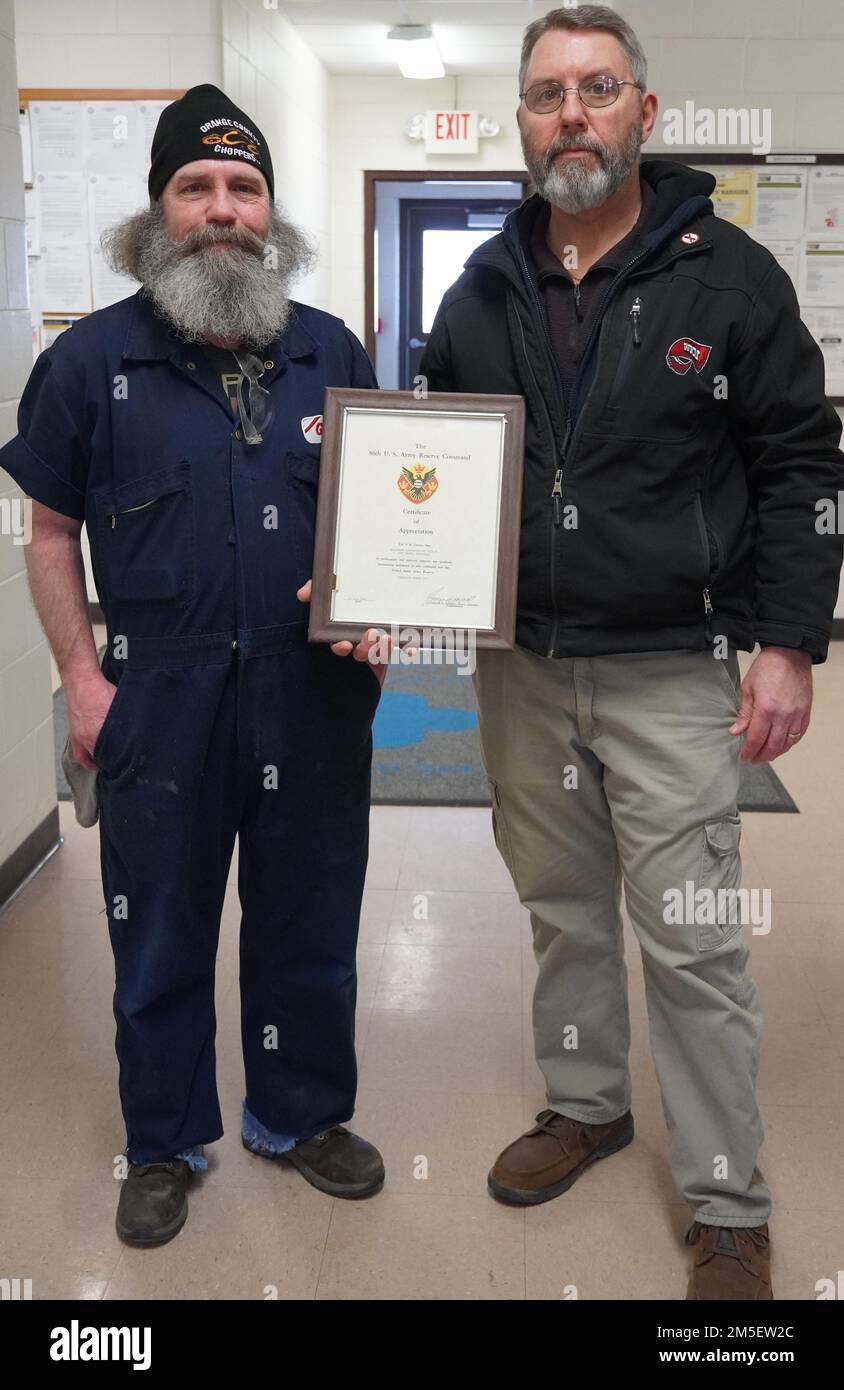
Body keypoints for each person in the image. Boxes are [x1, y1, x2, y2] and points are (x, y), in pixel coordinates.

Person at [420, 5, 844, 1300]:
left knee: (696, 937)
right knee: (561, 914)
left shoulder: (732, 278)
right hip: (523, 669)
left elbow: (802, 460)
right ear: (524, 123)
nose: (573, 115)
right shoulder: (481, 288)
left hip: (671, 663)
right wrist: (379, 560)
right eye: (548, 94)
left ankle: (726, 1197)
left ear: (645, 117)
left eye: (599, 89)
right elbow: (429, 458)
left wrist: (789, 643)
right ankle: (587, 1103)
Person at [0, 83, 389, 1247]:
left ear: (270, 212)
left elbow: (376, 527)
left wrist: (373, 619)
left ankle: (301, 1112)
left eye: (244, 187)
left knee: (310, 921)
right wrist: (82, 678)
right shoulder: (90, 362)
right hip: (156, 692)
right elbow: (52, 533)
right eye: (196, 186)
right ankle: (163, 1138)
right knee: (158, 927)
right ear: (159, 210)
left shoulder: (334, 351)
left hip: (308, 690)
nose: (223, 209)